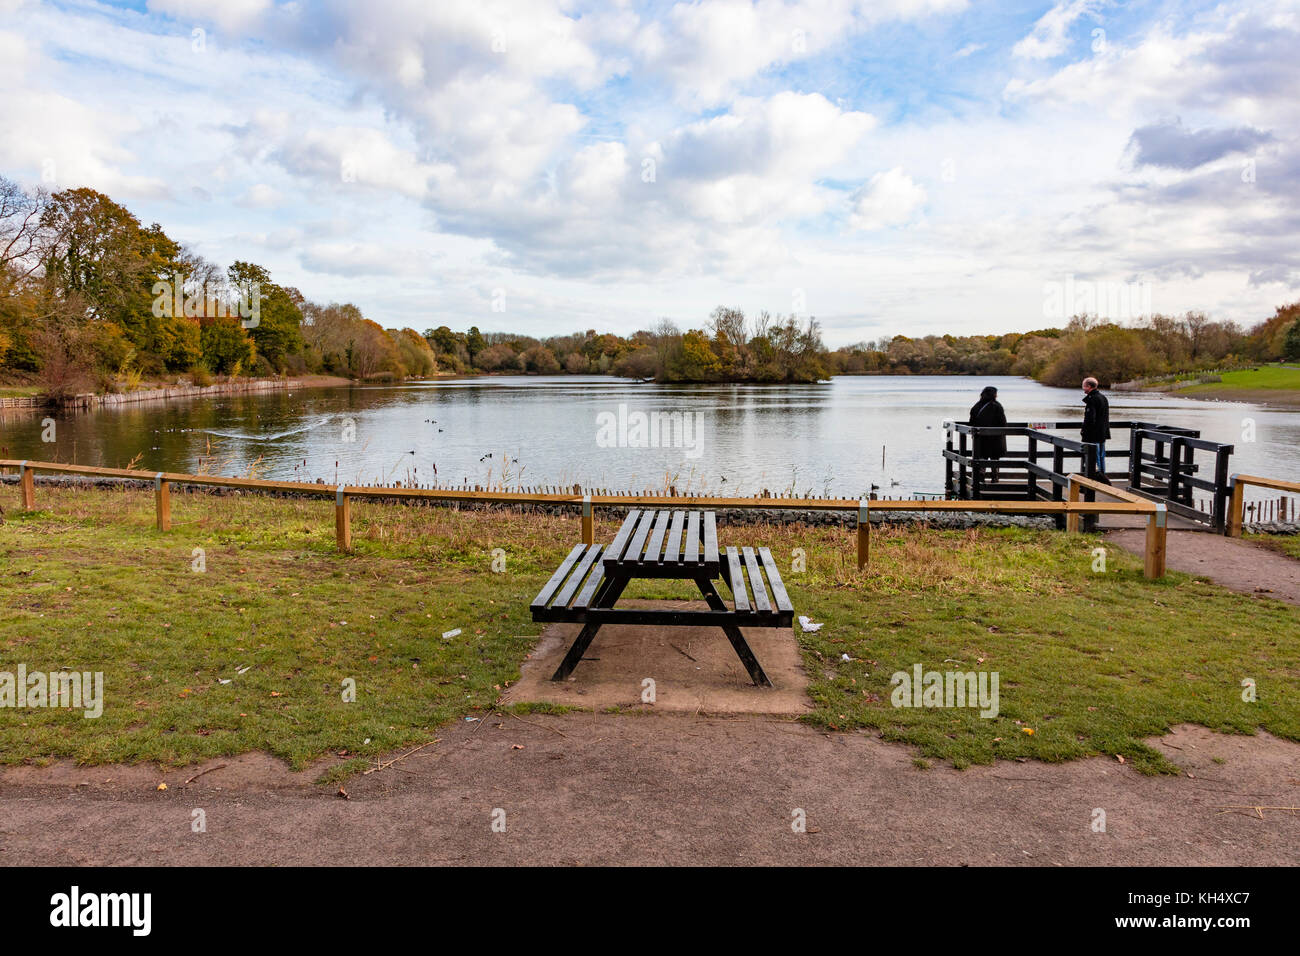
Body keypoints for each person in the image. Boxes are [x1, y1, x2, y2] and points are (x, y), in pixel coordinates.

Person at [968, 385, 1007, 482]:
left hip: (980, 439)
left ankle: (981, 478)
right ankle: (995, 478)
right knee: (995, 458)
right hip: (996, 438)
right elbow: (1003, 423)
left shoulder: (976, 406)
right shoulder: (997, 406)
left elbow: (971, 423)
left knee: (982, 458)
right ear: (994, 395)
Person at [1081, 376, 1111, 481]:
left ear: (1089, 386)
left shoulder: (1092, 399)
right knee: (1101, 457)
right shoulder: (1103, 397)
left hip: (1093, 434)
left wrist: (1084, 432)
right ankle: (1103, 477)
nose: (1083, 388)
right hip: (1102, 433)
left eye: (1084, 386)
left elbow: (1090, 419)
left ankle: (1098, 480)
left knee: (1095, 457)